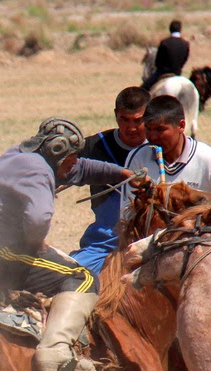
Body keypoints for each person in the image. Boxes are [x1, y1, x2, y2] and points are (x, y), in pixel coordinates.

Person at [0, 117, 140, 371]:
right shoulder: (38, 171)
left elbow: (82, 169)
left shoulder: (22, 155)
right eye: (71, 159)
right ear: (58, 153)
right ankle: (55, 353)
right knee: (83, 278)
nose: (74, 164)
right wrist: (35, 244)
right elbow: (39, 218)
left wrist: (121, 173)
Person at [121, 95, 211, 215]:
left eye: (160, 129)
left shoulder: (208, 158)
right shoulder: (138, 157)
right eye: (148, 129)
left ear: (181, 126)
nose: (152, 137)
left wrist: (202, 216)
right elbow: (126, 212)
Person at [70, 87, 150, 275]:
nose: (131, 128)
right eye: (125, 119)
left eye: (138, 121)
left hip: (151, 242)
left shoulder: (161, 148)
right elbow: (53, 167)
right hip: (103, 244)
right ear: (116, 115)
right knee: (71, 278)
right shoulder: (94, 146)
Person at [141, 19, 190, 91]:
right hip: (177, 72)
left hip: (163, 72)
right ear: (180, 30)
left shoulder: (164, 43)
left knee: (143, 88)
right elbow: (185, 59)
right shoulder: (185, 44)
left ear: (170, 29)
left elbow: (158, 61)